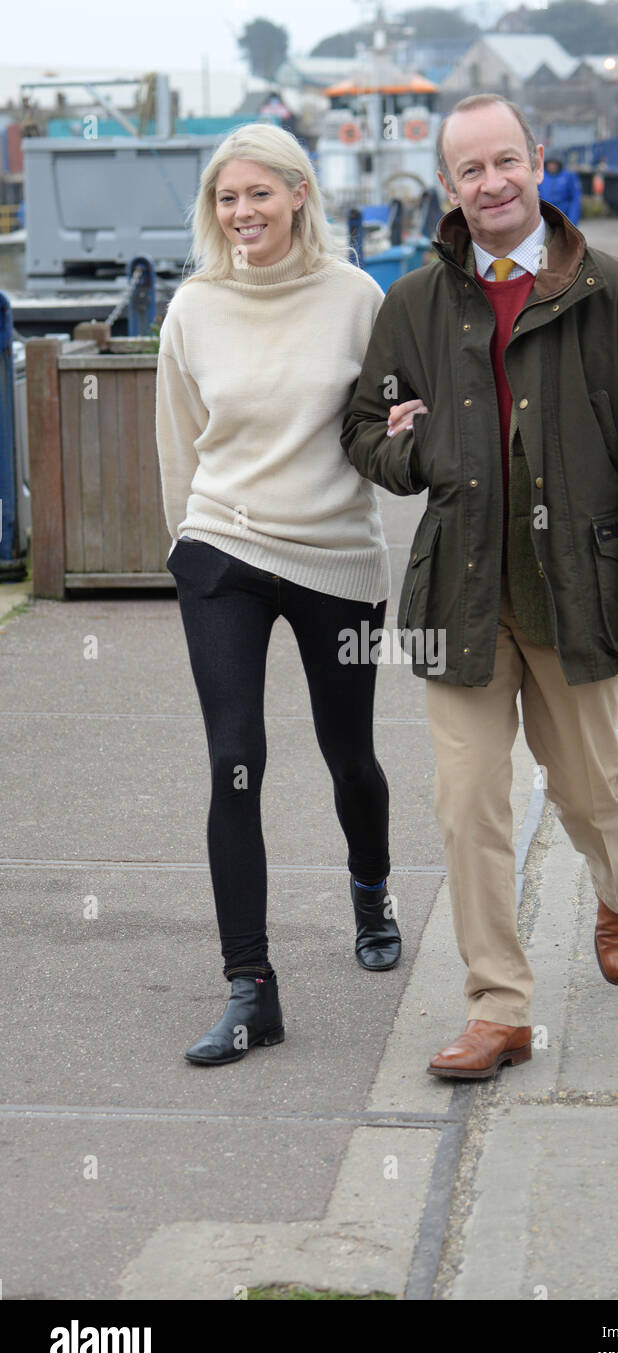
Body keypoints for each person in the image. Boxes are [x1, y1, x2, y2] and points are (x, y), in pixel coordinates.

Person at [341, 94, 618, 1082]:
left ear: (536, 161)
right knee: (467, 804)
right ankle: (499, 1007)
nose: (492, 183)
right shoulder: (413, 303)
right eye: (470, 170)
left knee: (588, 791)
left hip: (576, 589)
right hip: (459, 596)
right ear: (449, 186)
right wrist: (406, 450)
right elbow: (362, 433)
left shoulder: (616, 292)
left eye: (507, 161)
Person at [155, 123, 402, 1067]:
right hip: (222, 549)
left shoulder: (354, 298)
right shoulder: (193, 308)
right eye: (226, 199)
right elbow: (179, 443)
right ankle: (250, 987)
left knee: (349, 754)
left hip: (336, 554)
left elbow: (380, 422)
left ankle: (370, 886)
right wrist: (184, 545)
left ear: (299, 194)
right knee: (234, 760)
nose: (242, 213)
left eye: (259, 193)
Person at [538, 154, 581, 225]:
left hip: (564, 218)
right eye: (550, 164)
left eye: (554, 164)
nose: (552, 166)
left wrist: (572, 222)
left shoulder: (568, 176)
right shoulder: (540, 177)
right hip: (544, 219)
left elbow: (575, 200)